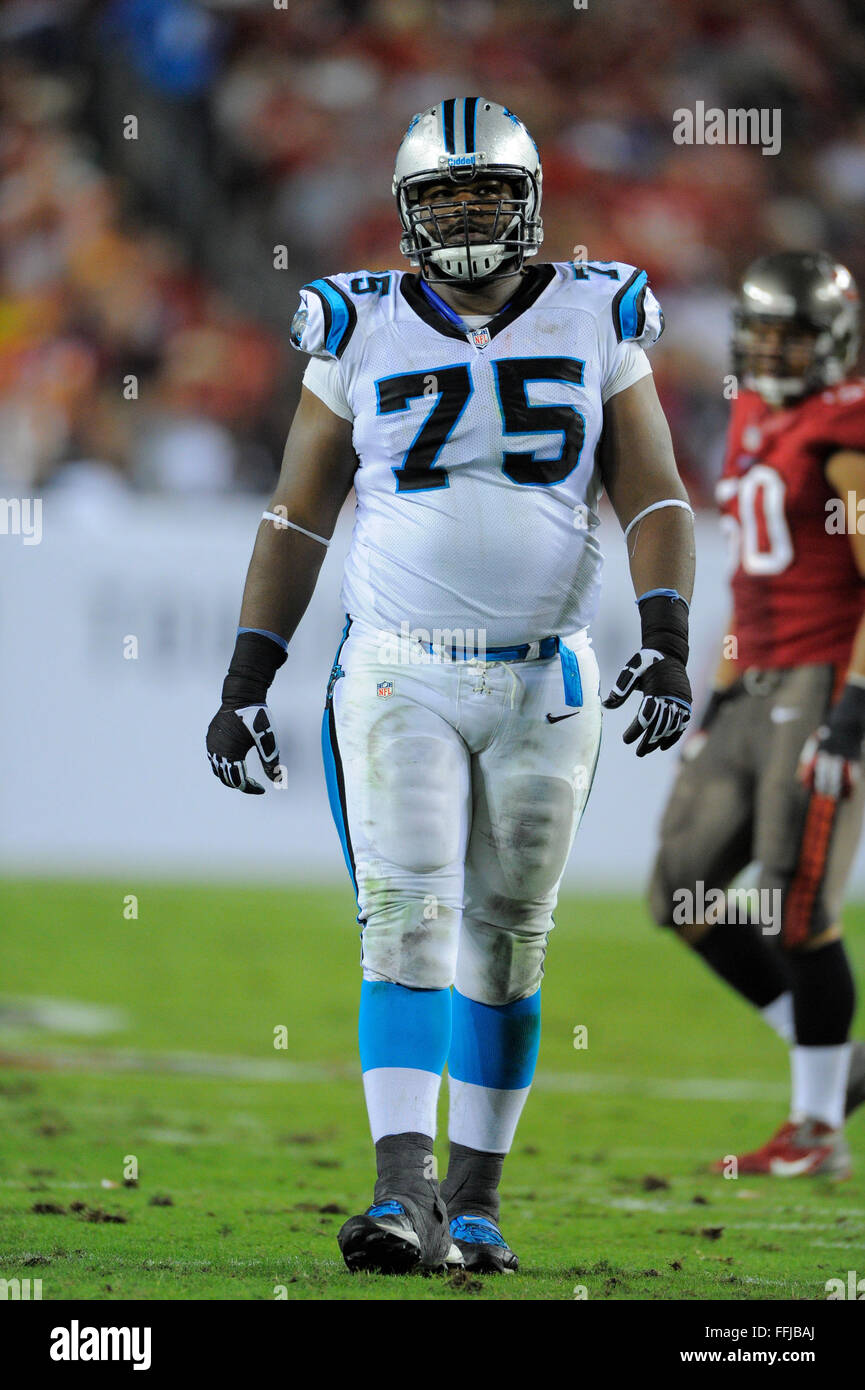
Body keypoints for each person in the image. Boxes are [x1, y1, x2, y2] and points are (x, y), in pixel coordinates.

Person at [207, 97, 695, 1272]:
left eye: (489, 195)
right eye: (444, 198)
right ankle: (401, 1195)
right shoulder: (358, 322)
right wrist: (246, 674)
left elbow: (658, 494)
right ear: (404, 212)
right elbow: (297, 512)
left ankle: (473, 1206)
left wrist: (669, 635)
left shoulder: (595, 312)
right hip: (395, 670)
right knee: (407, 916)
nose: (468, 218)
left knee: (511, 938)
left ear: (532, 204)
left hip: (546, 679)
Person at [650, 251, 865, 1179]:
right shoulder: (749, 412)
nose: (772, 354)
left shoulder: (844, 425)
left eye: (790, 338)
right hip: (755, 682)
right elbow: (751, 574)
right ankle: (834, 1061)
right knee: (683, 887)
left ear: (832, 342)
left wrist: (852, 709)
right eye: (762, 336)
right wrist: (716, 686)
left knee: (794, 904)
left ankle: (815, 1128)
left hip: (823, 676)